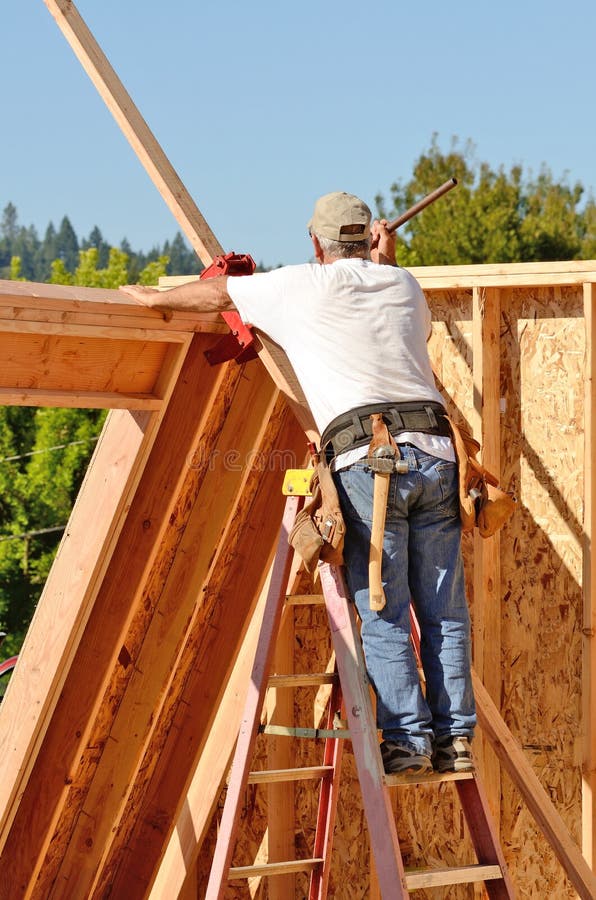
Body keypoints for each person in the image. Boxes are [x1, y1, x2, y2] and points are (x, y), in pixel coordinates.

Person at [120, 191, 476, 775]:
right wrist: (384, 259)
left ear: (316, 243)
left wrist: (156, 299)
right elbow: (382, 307)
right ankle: (455, 742)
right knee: (444, 611)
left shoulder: (300, 286)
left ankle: (410, 743)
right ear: (370, 238)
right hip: (437, 455)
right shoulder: (403, 284)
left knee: (382, 605)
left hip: (369, 460)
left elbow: (218, 292)